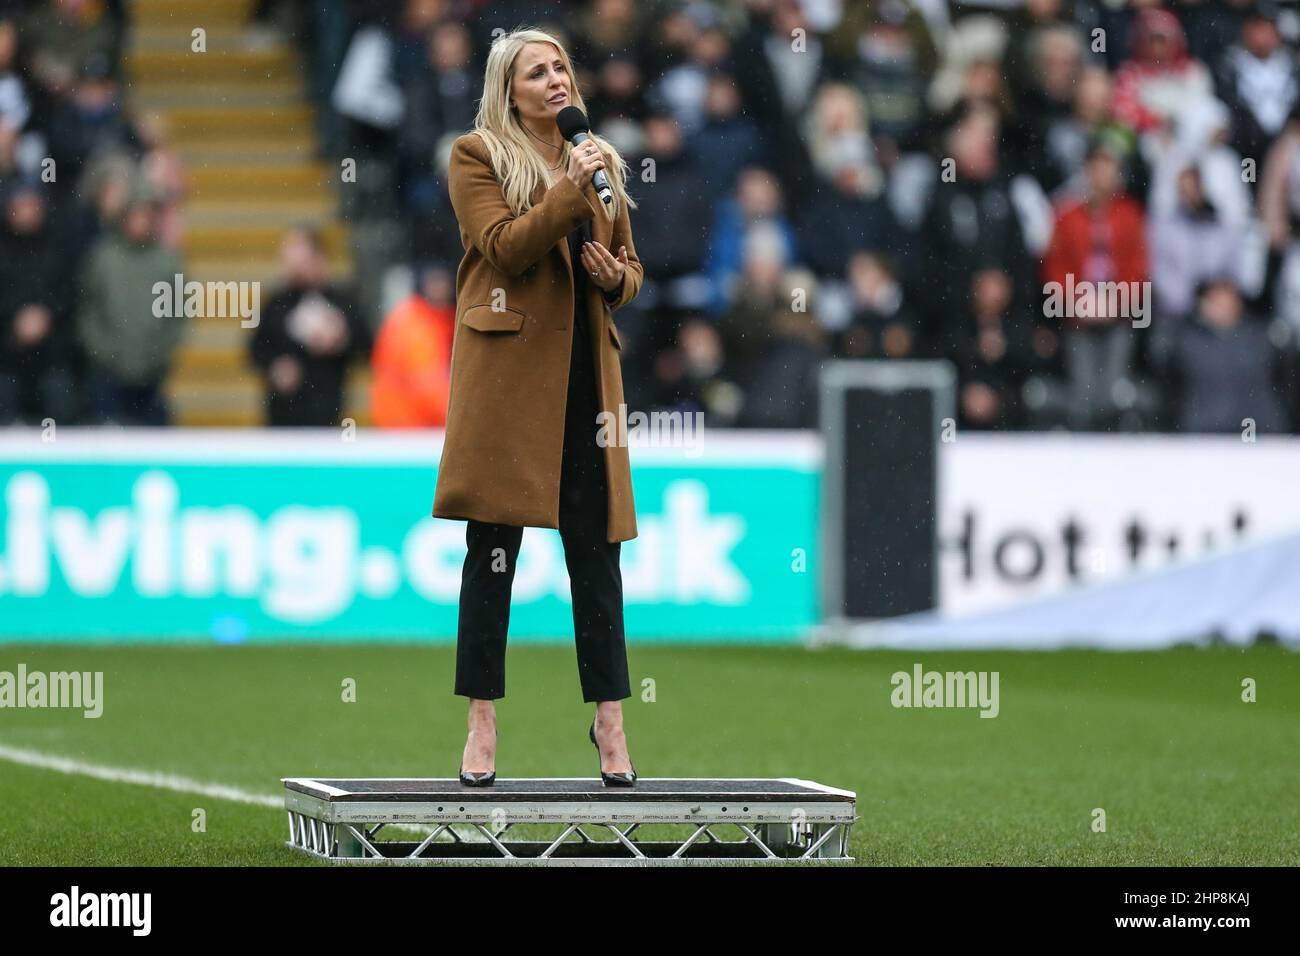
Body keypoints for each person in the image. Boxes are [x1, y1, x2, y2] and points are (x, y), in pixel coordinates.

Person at [432, 27, 645, 787]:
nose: (556, 80)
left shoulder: (602, 159)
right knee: (492, 557)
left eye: (561, 67)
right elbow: (505, 246)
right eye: (537, 72)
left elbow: (630, 269)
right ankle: (482, 718)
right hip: (511, 383)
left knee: (598, 557)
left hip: (586, 377)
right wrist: (567, 196)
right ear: (508, 89)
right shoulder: (477, 156)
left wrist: (614, 278)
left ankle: (610, 720)